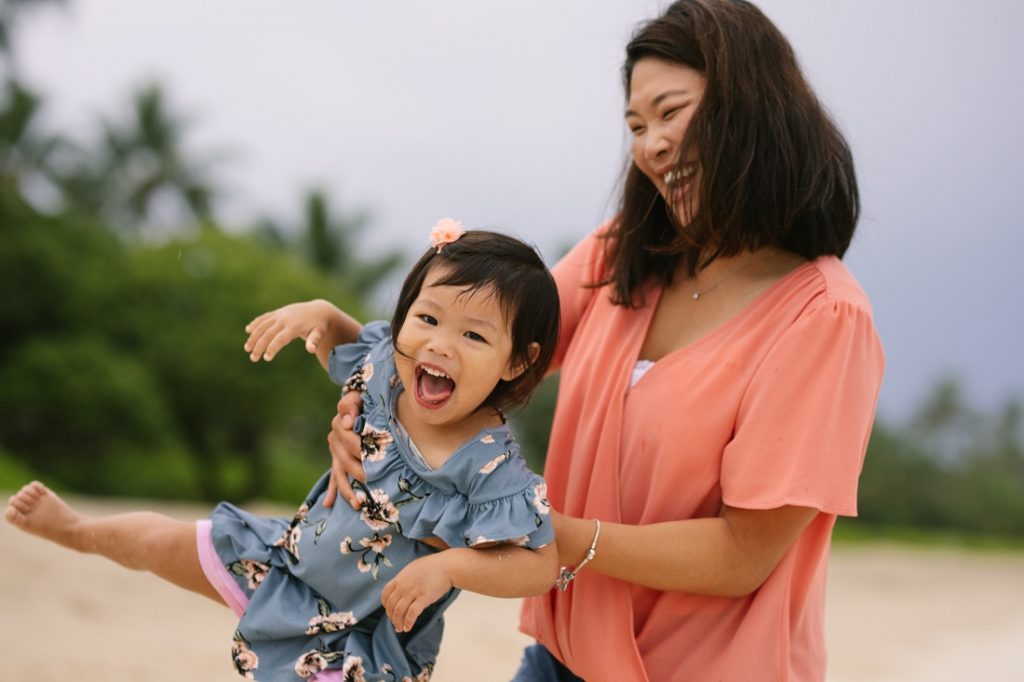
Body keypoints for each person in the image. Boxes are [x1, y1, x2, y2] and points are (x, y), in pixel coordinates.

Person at [322, 2, 886, 681]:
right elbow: (485, 359)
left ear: (751, 108)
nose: (649, 146)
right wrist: (371, 410)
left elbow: (744, 555)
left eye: (671, 113)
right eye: (636, 125)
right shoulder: (620, 254)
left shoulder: (823, 317)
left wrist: (546, 535)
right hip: (562, 659)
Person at [4, 223, 561, 682]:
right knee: (159, 541)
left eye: (475, 336)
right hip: (282, 561)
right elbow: (347, 344)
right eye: (428, 318)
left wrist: (449, 566)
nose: (439, 343)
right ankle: (76, 530)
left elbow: (539, 564)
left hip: (357, 640)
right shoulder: (389, 371)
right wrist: (320, 312)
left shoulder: (491, 466)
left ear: (517, 362)